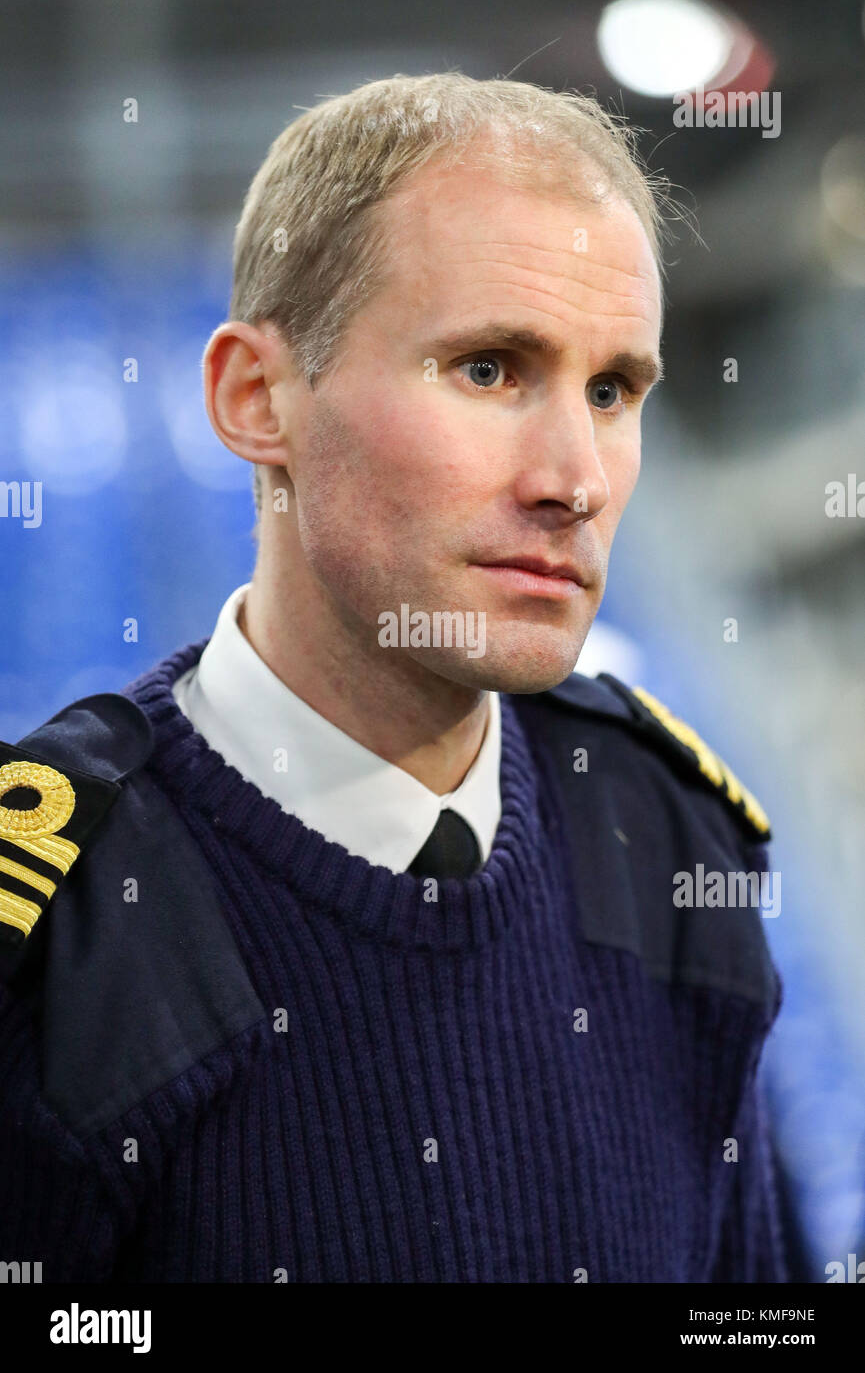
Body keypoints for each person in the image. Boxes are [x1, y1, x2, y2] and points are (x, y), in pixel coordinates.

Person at [0, 72, 786, 1282]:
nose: (575, 478)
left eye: (611, 390)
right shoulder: (63, 932)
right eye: (489, 369)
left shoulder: (669, 836)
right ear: (256, 399)